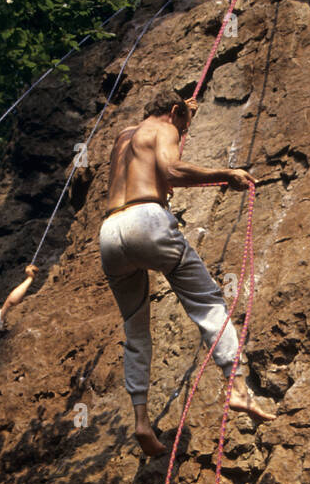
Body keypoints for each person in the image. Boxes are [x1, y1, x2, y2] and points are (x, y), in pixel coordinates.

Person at [99, 86, 273, 456]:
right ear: (175, 112)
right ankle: (238, 387)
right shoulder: (165, 129)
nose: (183, 134)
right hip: (147, 220)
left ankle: (142, 422)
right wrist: (226, 174)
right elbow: (171, 169)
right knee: (207, 302)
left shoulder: (123, 136)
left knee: (135, 329)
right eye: (184, 124)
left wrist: (185, 114)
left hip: (111, 232)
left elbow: (146, 165)